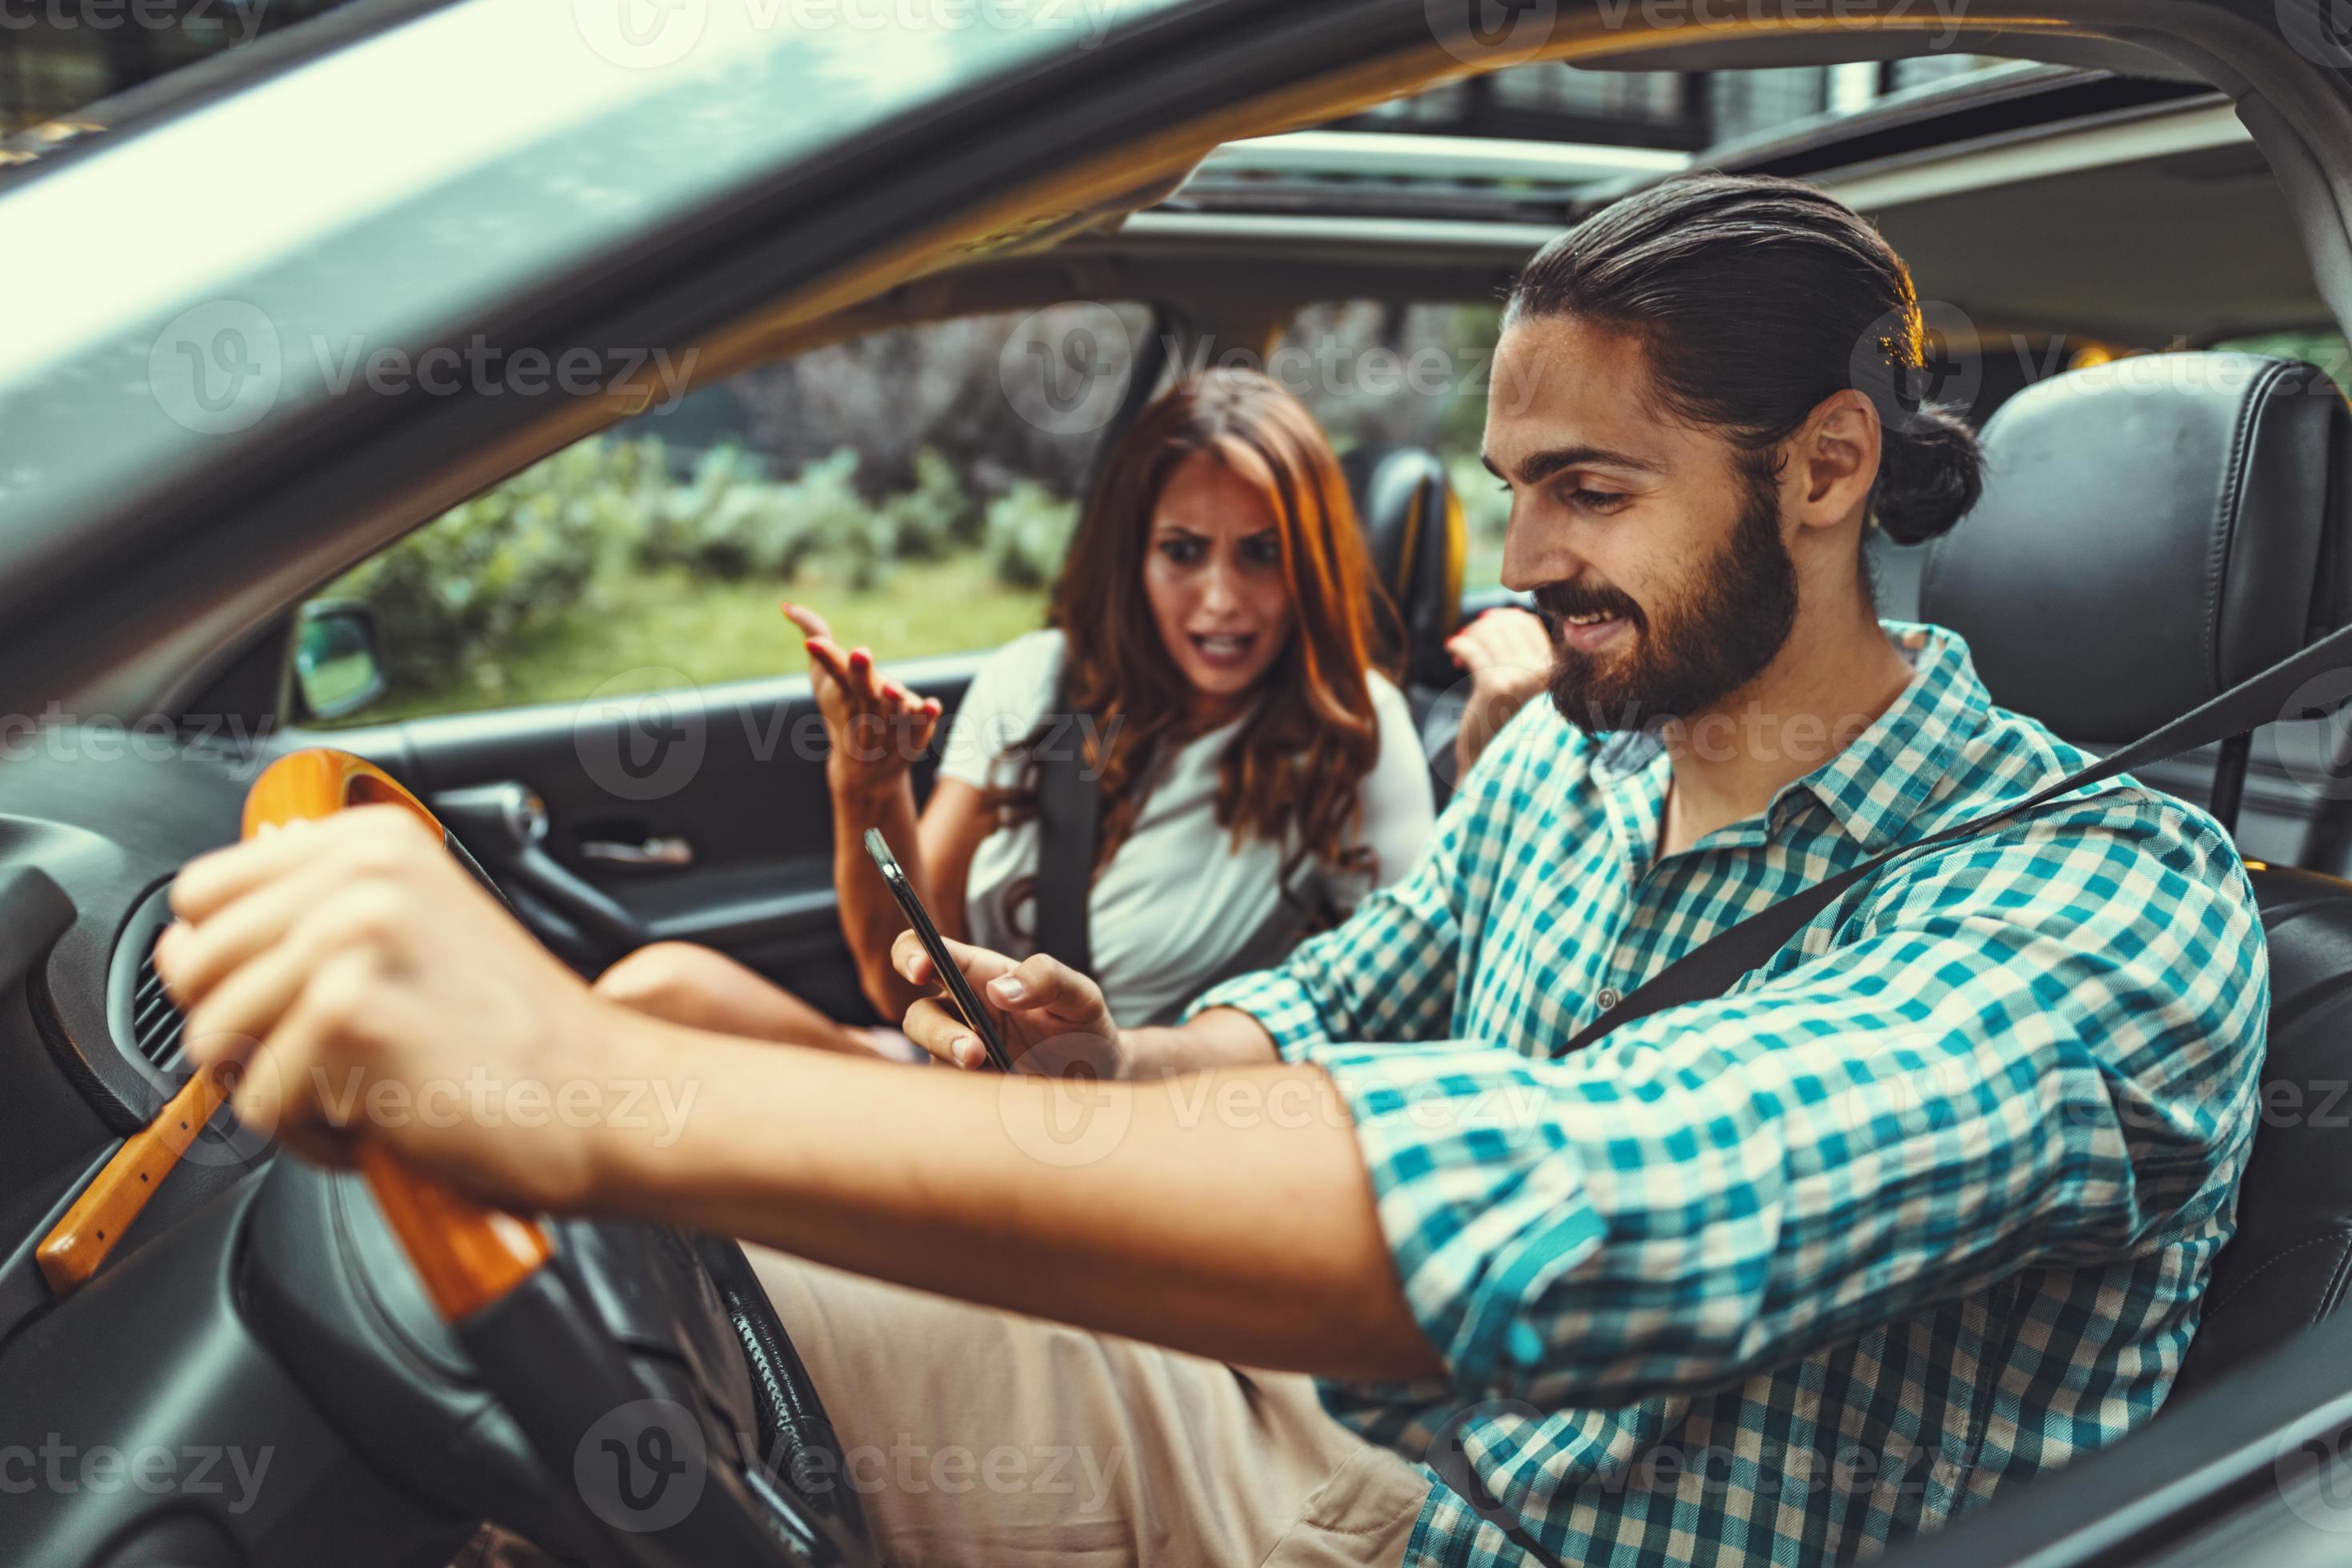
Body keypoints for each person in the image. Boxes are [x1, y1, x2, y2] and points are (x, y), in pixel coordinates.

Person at [157, 174, 2266, 1566]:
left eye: (1591, 492)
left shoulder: (2112, 909)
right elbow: (1310, 1025)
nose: (1523, 565)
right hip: (1333, 1457)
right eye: (1511, 487)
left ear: (1819, 469)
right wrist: (1101, 1058)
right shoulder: (1567, 782)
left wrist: (632, 1101)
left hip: (1460, 1535)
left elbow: (1595, 1207)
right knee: (642, 1218)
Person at [589, 369, 1450, 1054]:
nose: (1222, 598)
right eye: (1182, 552)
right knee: (655, 995)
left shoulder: (1355, 728)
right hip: (968, 1079)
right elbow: (901, 990)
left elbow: (1403, 999)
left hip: (1151, 1129)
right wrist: (868, 782)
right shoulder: (1037, 681)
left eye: (1261, 555)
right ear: (1130, 557)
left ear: (1309, 562)